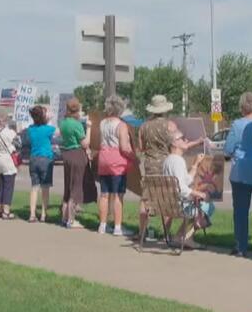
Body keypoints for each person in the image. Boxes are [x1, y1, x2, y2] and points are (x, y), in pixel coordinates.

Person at [224, 92, 252, 258]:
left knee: (241, 212)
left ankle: (241, 246)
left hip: (241, 170)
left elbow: (228, 149)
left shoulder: (237, 124)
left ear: (242, 107)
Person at [163, 131, 215, 249]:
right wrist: (199, 194)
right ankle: (185, 237)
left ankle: (182, 237)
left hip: (171, 204)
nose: (186, 140)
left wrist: (196, 164)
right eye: (182, 138)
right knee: (209, 206)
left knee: (200, 205)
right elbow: (181, 188)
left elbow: (185, 181)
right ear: (174, 143)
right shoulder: (178, 161)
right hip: (179, 205)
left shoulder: (169, 160)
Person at [137, 95, 179, 240]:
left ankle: (141, 232)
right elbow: (175, 146)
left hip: (150, 166)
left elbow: (141, 147)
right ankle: (166, 233)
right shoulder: (170, 126)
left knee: (146, 199)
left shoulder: (144, 126)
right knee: (167, 199)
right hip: (166, 165)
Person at [97, 96, 135, 236]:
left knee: (104, 194)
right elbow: (124, 147)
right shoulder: (121, 125)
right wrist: (134, 157)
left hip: (103, 159)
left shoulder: (102, 123)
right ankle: (117, 227)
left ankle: (102, 225)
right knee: (118, 195)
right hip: (117, 162)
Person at [59, 98, 91, 229]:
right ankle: (71, 220)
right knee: (76, 187)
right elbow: (85, 143)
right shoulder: (77, 125)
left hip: (66, 154)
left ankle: (64, 217)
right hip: (77, 154)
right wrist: (89, 128)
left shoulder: (63, 123)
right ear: (77, 109)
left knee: (67, 187)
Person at [26, 106, 57, 223]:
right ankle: (44, 214)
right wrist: (50, 120)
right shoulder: (48, 129)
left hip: (33, 158)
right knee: (45, 188)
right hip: (46, 159)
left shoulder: (31, 129)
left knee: (34, 187)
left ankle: (32, 214)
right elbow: (58, 133)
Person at [0, 111, 19, 219]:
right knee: (8, 186)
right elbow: (17, 143)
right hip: (7, 160)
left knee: (0, 186)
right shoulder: (9, 132)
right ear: (5, 121)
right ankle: (6, 211)